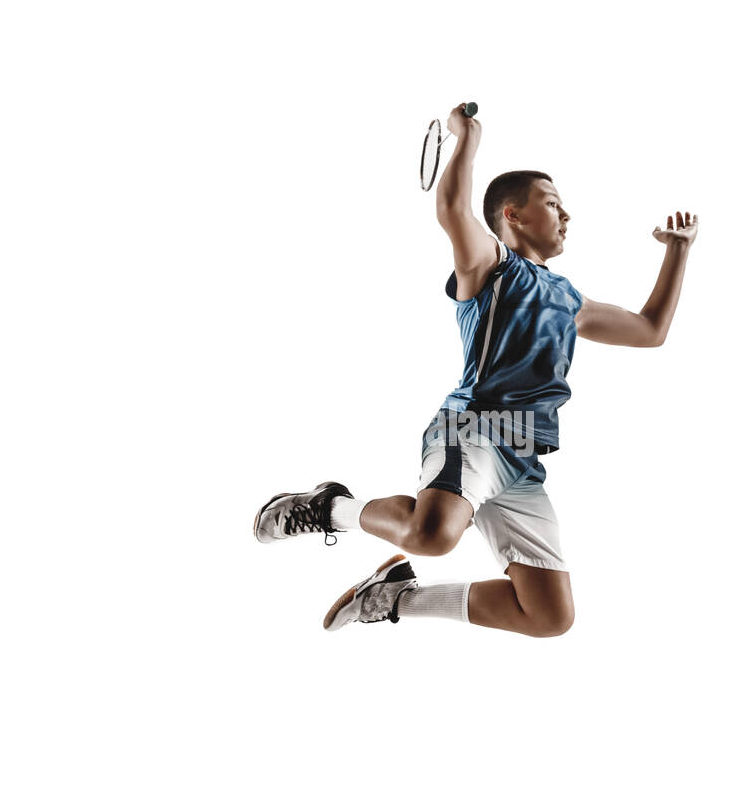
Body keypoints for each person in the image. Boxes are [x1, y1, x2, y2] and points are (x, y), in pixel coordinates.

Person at [254, 103, 698, 637]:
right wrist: (468, 138)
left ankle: (397, 597)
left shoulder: (571, 300)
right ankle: (332, 509)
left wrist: (678, 251)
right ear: (511, 216)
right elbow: (451, 208)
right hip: (476, 428)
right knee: (433, 535)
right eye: (553, 203)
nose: (566, 215)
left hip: (523, 455)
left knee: (549, 616)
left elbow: (651, 330)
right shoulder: (489, 267)